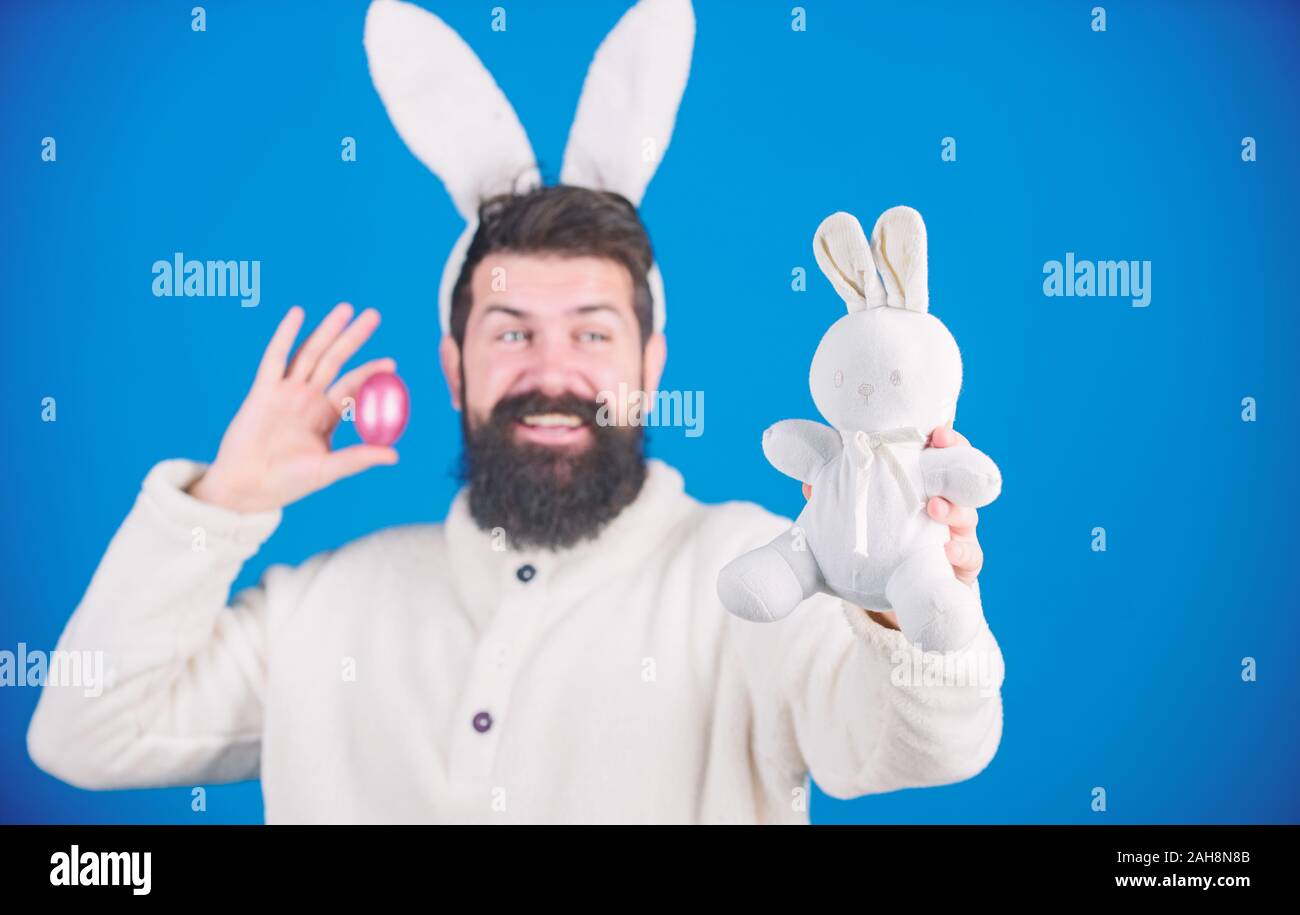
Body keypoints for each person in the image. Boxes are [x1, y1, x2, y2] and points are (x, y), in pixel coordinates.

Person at [26, 184, 1005, 824]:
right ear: (453, 368)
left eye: (591, 334)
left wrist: (903, 606)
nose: (552, 373)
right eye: (509, 333)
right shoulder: (323, 605)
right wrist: (222, 503)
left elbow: (918, 751)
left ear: (649, 365)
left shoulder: (751, 570)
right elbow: (83, 733)